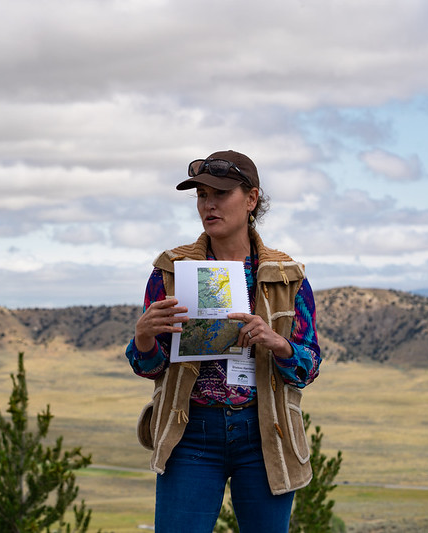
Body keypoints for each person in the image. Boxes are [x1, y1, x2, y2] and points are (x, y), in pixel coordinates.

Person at [125, 150, 321, 532]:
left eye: (220, 193)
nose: (208, 204)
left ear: (251, 199)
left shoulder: (287, 276)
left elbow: (308, 367)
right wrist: (143, 338)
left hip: (267, 433)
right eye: (202, 195)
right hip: (190, 432)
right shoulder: (170, 271)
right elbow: (151, 367)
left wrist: (278, 345)